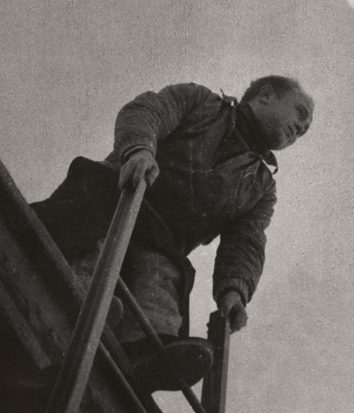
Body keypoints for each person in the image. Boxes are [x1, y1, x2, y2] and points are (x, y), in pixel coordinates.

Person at [31, 75, 313, 391]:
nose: (300, 129)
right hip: (119, 193)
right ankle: (82, 297)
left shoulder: (260, 187)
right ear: (265, 95)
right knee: (97, 229)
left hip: (161, 241)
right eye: (300, 113)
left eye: (304, 132)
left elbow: (246, 241)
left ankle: (149, 351)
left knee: (164, 273)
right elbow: (148, 110)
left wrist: (234, 289)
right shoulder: (200, 103)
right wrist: (140, 149)